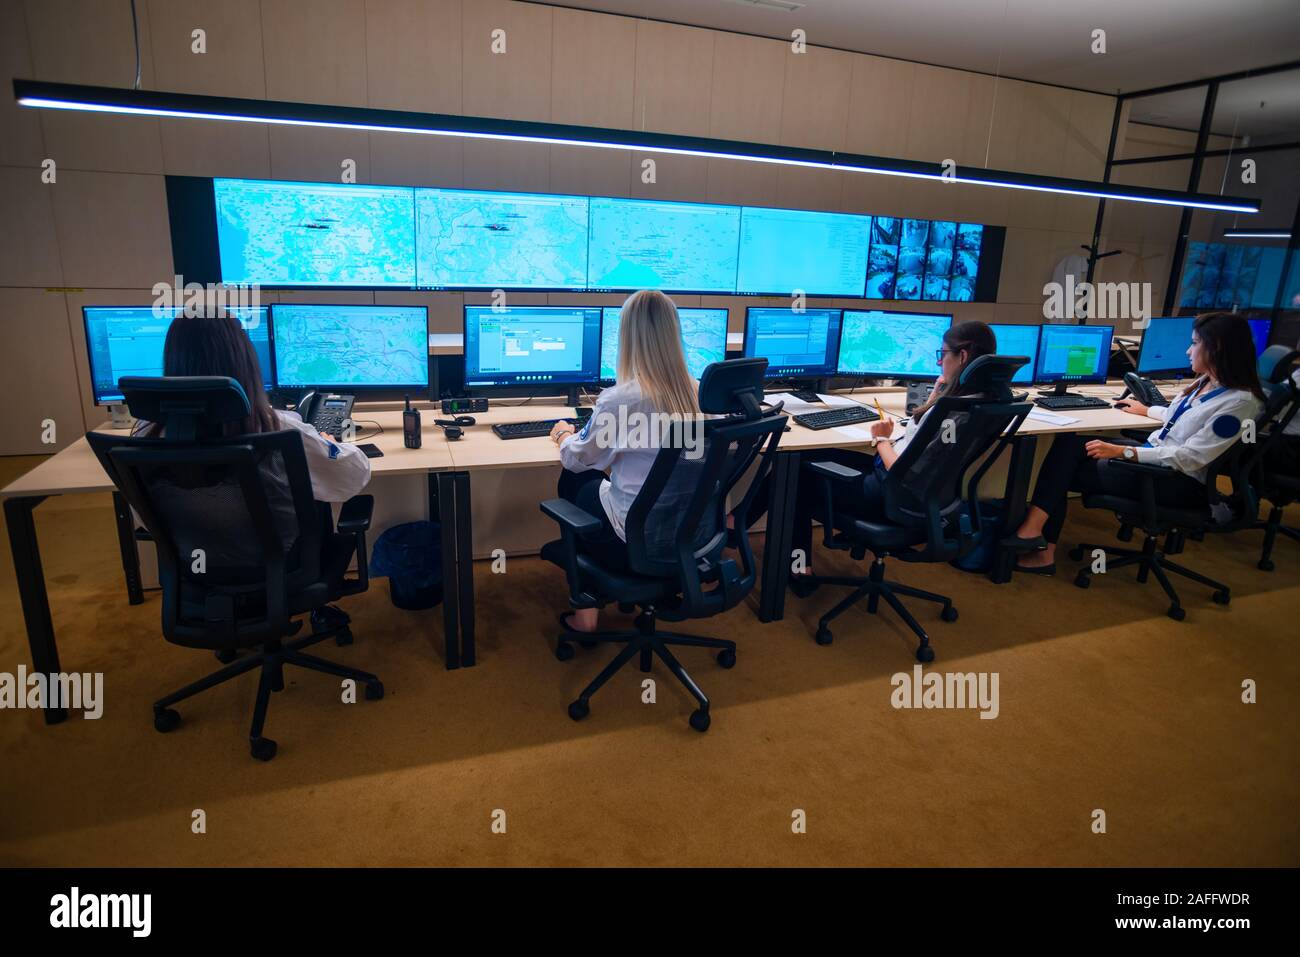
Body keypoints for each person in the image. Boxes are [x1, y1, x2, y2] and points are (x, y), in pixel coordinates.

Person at [1008, 311, 1265, 574]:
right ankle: (1034, 533)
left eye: (1195, 343)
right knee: (1068, 445)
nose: (1188, 351)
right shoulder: (1207, 383)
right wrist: (1146, 410)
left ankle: (1037, 541)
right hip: (1157, 458)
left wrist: (1124, 452)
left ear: (1217, 348)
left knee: (1065, 468)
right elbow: (1184, 418)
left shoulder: (1238, 404)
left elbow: (1191, 457)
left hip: (1176, 481)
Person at [135, 312, 371, 589]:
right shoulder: (278, 428)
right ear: (245, 362)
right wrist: (329, 443)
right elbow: (352, 478)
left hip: (196, 569)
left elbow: (145, 516)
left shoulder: (146, 433)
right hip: (280, 572)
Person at [789, 319, 1000, 581]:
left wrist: (881, 440)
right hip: (928, 500)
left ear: (963, 356)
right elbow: (923, 436)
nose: (938, 362)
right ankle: (737, 521)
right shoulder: (982, 403)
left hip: (892, 495)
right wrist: (939, 391)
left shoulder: (955, 414)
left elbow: (905, 471)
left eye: (943, 354)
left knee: (793, 475)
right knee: (805, 457)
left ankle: (799, 570)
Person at [548, 290, 702, 634]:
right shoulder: (699, 392)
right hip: (688, 537)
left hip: (635, 543)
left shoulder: (622, 399)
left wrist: (563, 435)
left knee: (573, 481)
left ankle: (586, 608)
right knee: (603, 481)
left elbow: (579, 459)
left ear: (628, 337)